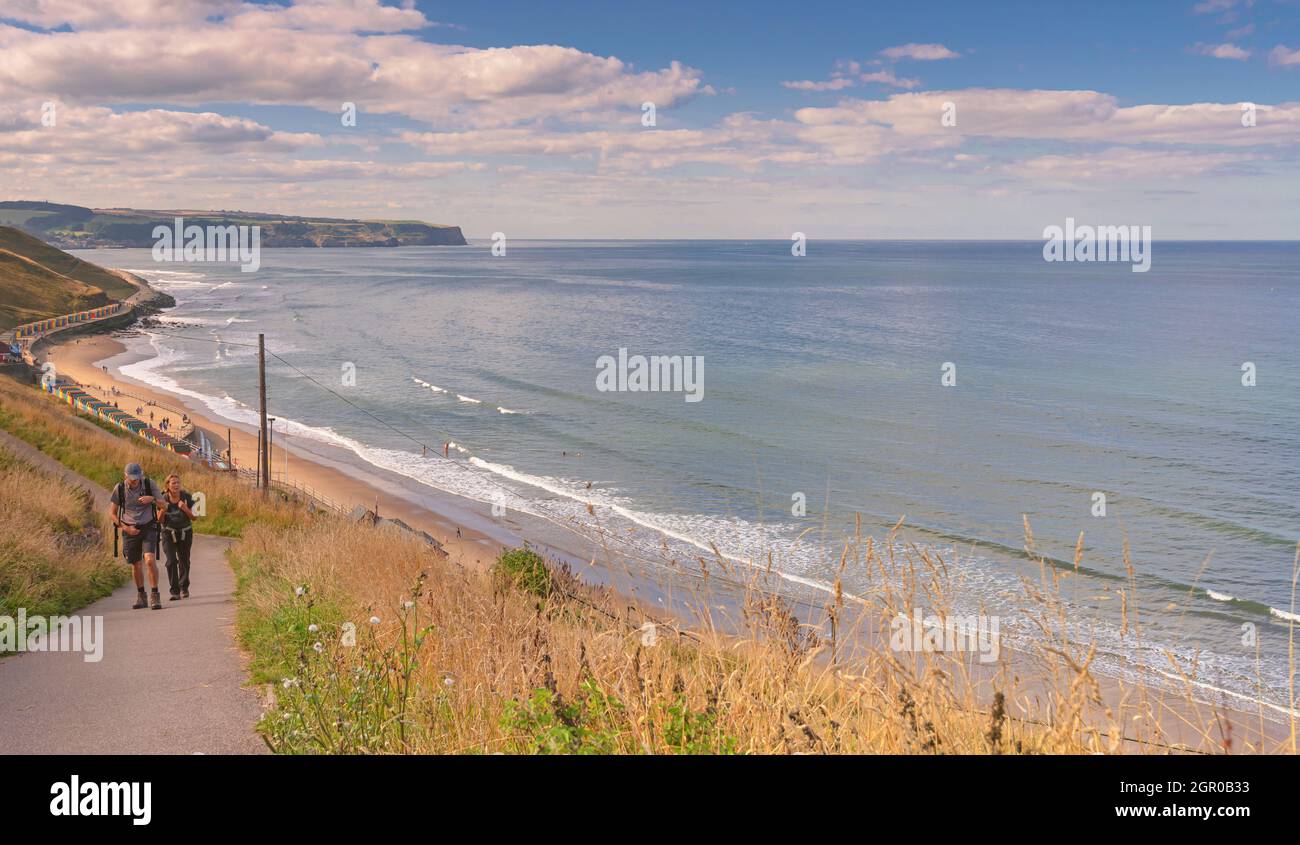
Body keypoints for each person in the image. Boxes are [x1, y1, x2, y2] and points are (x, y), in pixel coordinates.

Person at [109, 462, 162, 610]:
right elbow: (112, 514)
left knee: (150, 560)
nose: (135, 481)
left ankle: (155, 595)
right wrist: (126, 528)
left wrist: (151, 499)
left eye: (137, 477)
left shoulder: (149, 484)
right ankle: (141, 596)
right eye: (132, 478)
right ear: (125, 476)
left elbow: (164, 505)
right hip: (129, 528)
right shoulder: (119, 489)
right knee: (136, 563)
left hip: (148, 526)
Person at [157, 474, 197, 600]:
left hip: (185, 532)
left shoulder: (187, 497)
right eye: (173, 483)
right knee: (171, 561)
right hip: (168, 532)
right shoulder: (162, 498)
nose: (176, 485)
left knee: (184, 560)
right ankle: (174, 591)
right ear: (167, 485)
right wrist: (163, 510)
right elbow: (159, 520)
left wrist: (185, 508)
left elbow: (194, 517)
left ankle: (184, 588)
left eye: (178, 483)